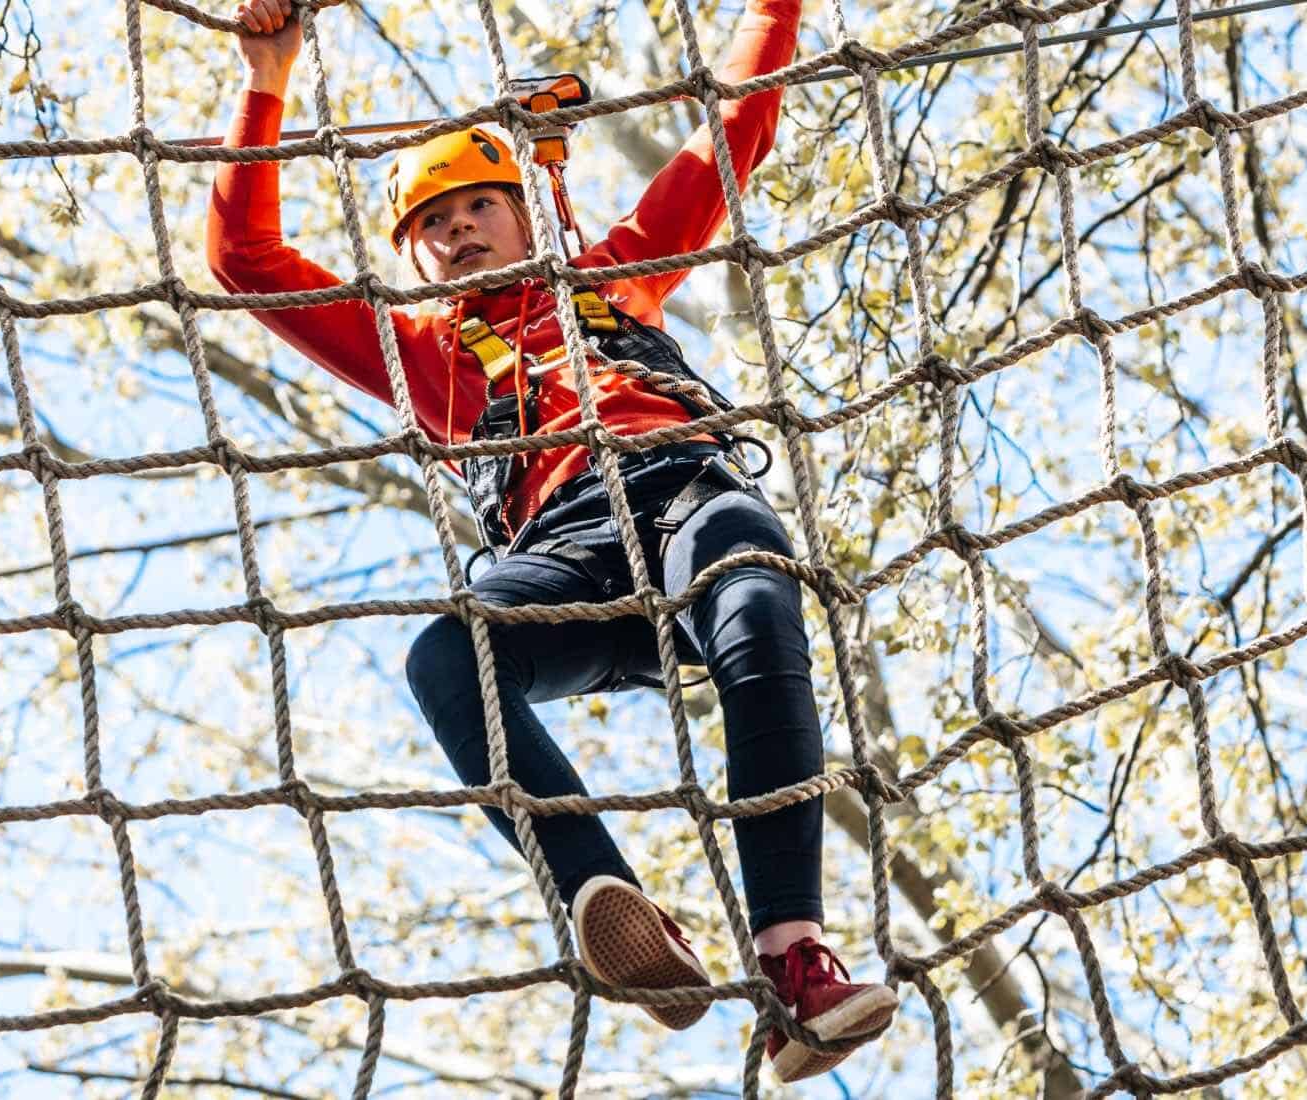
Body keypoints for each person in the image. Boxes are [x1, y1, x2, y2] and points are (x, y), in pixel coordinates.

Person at [207, 0, 896, 1080]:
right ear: (414, 260)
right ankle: (602, 896)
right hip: (568, 552)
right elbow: (246, 258)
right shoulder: (426, 357)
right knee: (449, 654)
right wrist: (267, 77)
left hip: (685, 499)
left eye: (481, 204)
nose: (458, 230)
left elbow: (737, 127)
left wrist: (777, 9)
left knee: (759, 599)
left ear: (530, 211)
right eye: (431, 224)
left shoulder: (618, 277)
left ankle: (794, 960)